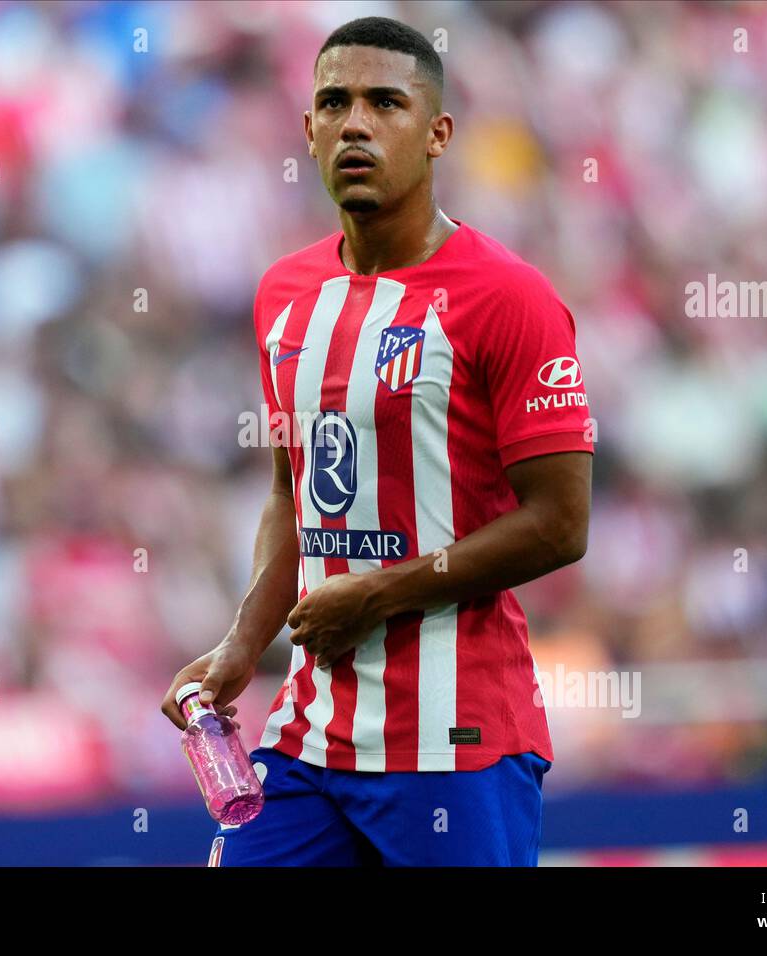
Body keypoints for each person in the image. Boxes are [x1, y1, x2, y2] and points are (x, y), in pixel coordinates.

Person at [162, 15, 594, 866]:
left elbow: (560, 525)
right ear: (309, 130)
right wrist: (243, 645)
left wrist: (379, 594)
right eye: (334, 102)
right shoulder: (284, 294)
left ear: (438, 134)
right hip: (310, 737)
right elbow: (293, 496)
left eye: (384, 103)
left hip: (456, 740)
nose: (355, 122)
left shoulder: (510, 298)